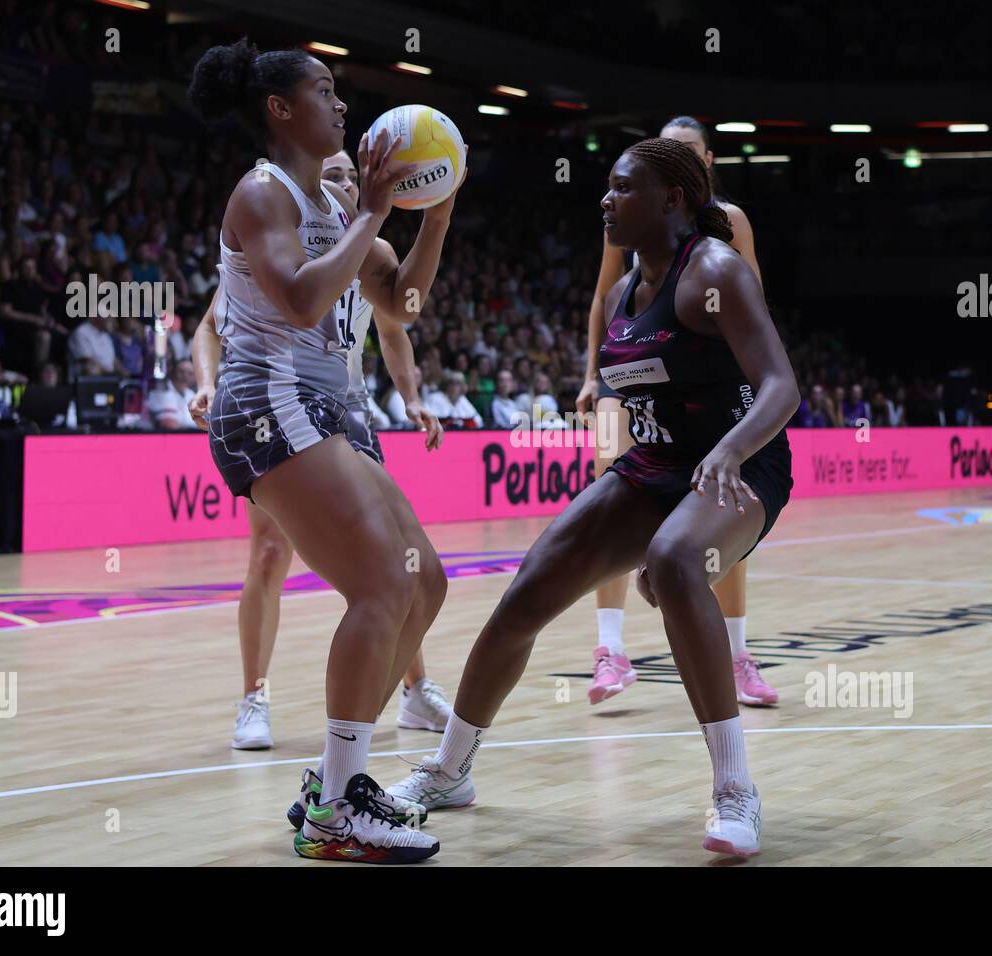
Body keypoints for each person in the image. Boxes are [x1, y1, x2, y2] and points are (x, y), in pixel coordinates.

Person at [389, 137, 800, 858]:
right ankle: (448, 770)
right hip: (656, 466)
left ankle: (736, 789)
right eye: (606, 188)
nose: (605, 200)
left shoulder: (715, 270)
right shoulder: (618, 294)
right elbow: (641, 392)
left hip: (742, 464)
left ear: (672, 199)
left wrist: (731, 450)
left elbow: (781, 386)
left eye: (621, 188)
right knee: (527, 593)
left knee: (674, 561)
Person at [188, 38, 462, 863]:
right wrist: (378, 210)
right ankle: (341, 806)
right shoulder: (260, 193)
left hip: (330, 405)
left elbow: (404, 303)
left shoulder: (341, 209)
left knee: (426, 582)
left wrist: (437, 208)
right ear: (280, 110)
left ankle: (335, 787)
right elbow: (305, 300)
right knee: (381, 582)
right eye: (325, 90)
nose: (343, 106)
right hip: (268, 401)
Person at [575, 116, 776, 708]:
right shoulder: (630, 221)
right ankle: (609, 650)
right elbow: (602, 296)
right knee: (607, 481)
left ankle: (738, 654)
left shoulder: (730, 224)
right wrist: (592, 373)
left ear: (703, 165)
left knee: (723, 497)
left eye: (683, 152)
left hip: (700, 373)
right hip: (629, 365)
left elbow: (751, 301)